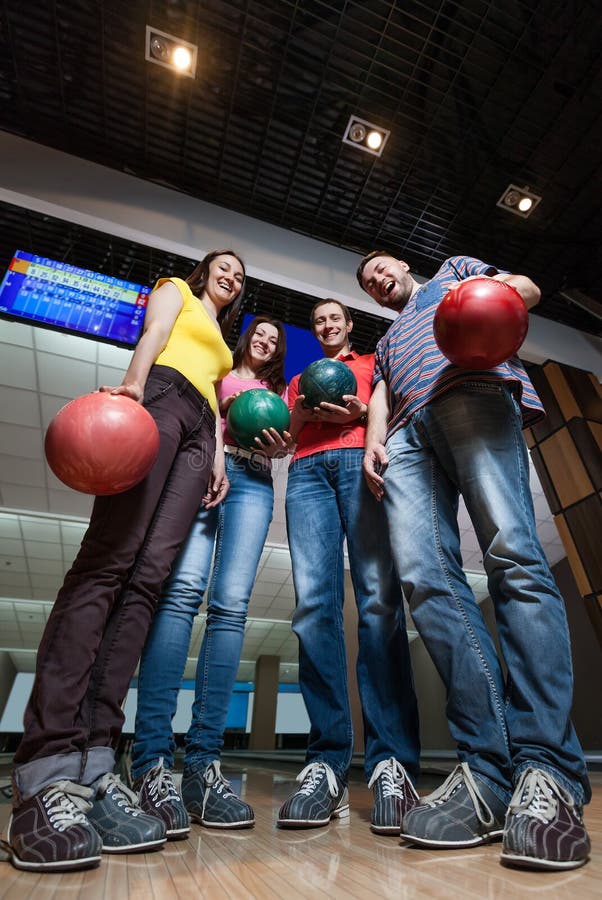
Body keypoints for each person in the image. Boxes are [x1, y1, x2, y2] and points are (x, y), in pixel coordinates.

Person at [6, 249, 246, 872]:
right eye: (224, 267)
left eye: (241, 276)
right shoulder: (178, 292)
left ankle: (94, 763)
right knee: (109, 564)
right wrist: (135, 387)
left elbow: (218, 401)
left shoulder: (224, 338)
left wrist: (218, 451)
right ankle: (45, 773)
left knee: (147, 585)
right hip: (162, 395)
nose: (232, 276)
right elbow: (156, 334)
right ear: (203, 273)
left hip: (200, 428)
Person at [357, 251, 591, 870]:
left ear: (402, 265)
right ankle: (488, 771)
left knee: (511, 556)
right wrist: (374, 438)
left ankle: (551, 772)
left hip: (471, 387)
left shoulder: (454, 272)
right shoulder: (383, 341)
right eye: (368, 284)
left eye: (380, 269)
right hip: (405, 435)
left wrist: (503, 296)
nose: (377, 282)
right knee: (425, 583)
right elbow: (380, 390)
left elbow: (527, 284)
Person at [130, 316, 291, 835]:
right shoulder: (219, 369)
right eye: (259, 333)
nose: (265, 341)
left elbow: (290, 441)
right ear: (246, 339)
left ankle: (203, 767)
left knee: (230, 610)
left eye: (275, 338)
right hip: (207, 469)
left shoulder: (278, 391)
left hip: (257, 481)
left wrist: (280, 445)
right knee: (179, 596)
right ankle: (151, 762)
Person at [277, 298, 420, 833]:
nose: (327, 325)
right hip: (308, 473)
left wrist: (361, 415)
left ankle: (392, 765)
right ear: (314, 331)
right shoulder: (300, 379)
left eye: (334, 317)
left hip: (361, 465)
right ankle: (327, 763)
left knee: (380, 604)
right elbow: (285, 440)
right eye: (318, 321)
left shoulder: (370, 365)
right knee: (314, 609)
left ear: (349, 325)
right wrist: (302, 413)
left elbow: (391, 413)